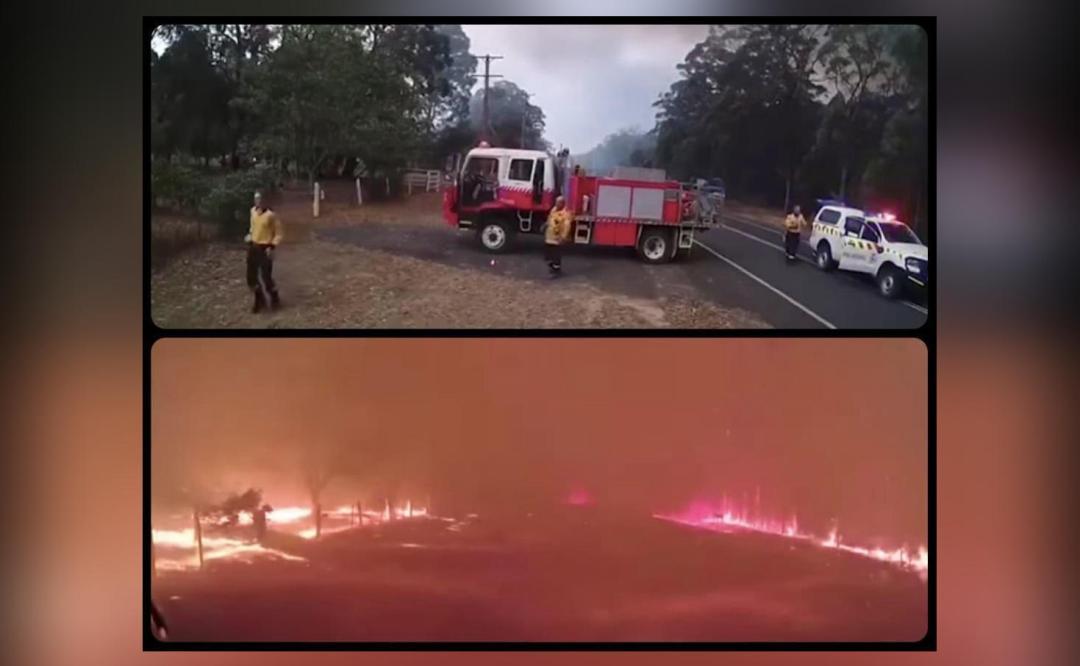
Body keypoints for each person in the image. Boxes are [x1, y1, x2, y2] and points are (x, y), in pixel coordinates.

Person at [246, 191, 283, 312]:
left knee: (266, 277)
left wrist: (272, 246)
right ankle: (259, 299)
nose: (258, 201)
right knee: (251, 277)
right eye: (256, 199)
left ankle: (275, 299)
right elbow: (253, 227)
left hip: (266, 248)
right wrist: (250, 236)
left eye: (260, 199)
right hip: (254, 247)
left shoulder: (271, 215)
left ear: (265, 200)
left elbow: (278, 233)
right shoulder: (252, 211)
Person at [544, 196, 573, 277]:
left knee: (556, 255)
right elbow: (550, 218)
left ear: (563, 204)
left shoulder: (566, 214)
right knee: (549, 255)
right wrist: (545, 225)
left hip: (557, 238)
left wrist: (563, 237)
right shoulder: (554, 209)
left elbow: (567, 227)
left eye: (558, 202)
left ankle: (556, 271)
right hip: (549, 237)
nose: (556, 204)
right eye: (556, 202)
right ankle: (552, 268)